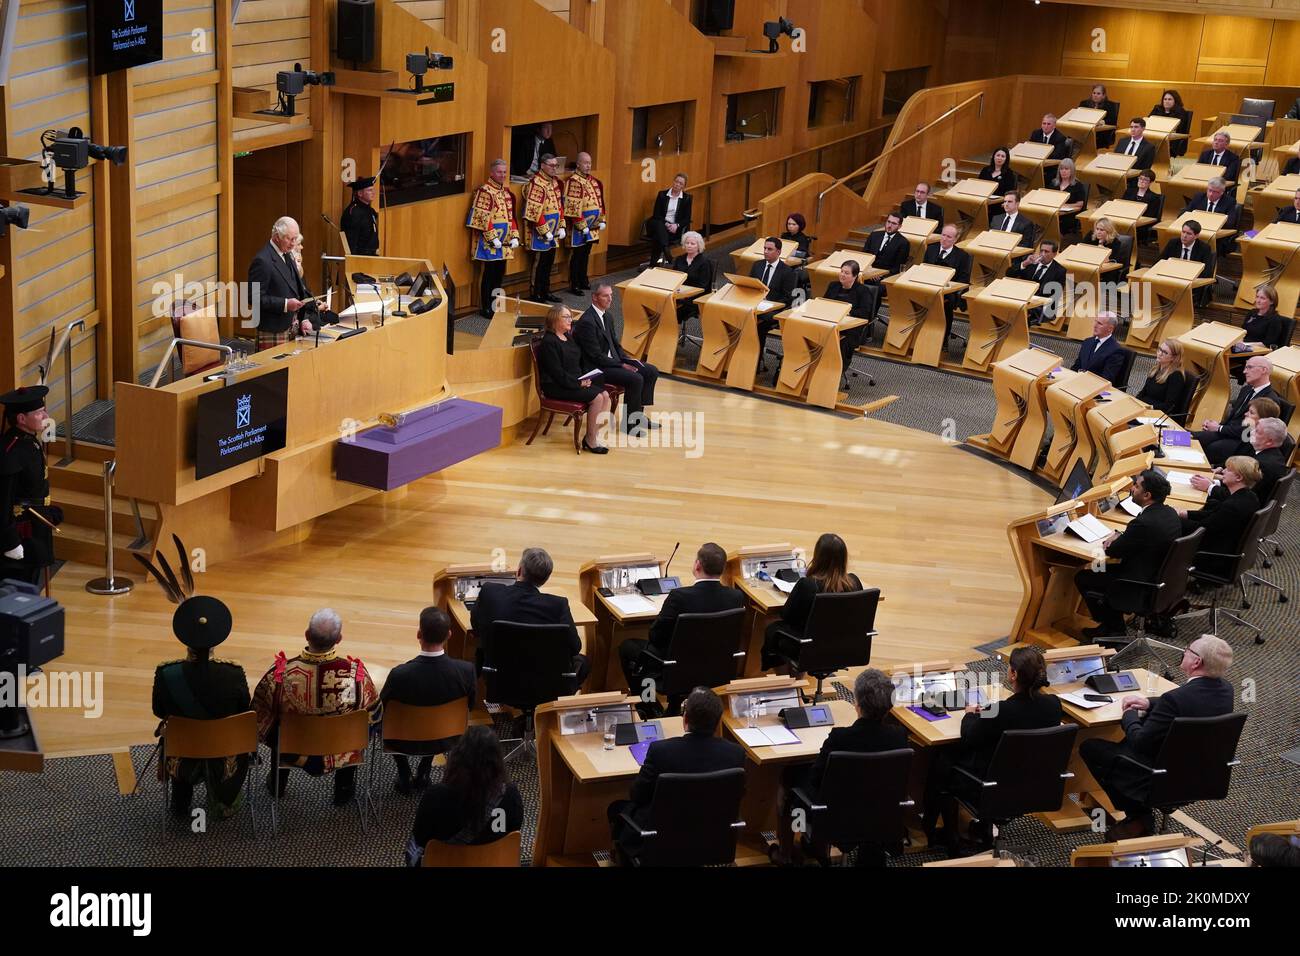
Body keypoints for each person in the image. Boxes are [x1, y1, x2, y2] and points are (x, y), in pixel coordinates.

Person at [1080, 635, 1234, 839]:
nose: (1184, 651)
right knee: (1140, 728)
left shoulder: (1175, 700)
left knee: (1091, 748)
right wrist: (1149, 703)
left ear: (1196, 662)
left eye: (1188, 649)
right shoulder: (1226, 690)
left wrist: (1129, 714)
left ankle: (1138, 816)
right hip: (1200, 772)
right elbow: (1188, 700)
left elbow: (1140, 742)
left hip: (1160, 774)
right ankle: (1139, 817)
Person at [922, 646, 1062, 853]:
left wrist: (970, 714)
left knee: (944, 759)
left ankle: (950, 838)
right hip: (1034, 783)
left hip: (990, 784)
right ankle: (982, 828)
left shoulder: (1003, 711)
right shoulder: (1054, 705)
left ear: (1013, 674)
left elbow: (970, 736)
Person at [771, 668, 908, 866]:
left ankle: (786, 853)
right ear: (889, 707)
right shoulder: (899, 736)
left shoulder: (840, 738)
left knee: (789, 775)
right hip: (881, 813)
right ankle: (817, 848)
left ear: (857, 704)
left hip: (837, 817)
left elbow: (817, 779)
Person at [252, 608, 380, 806]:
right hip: (340, 749)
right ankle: (343, 790)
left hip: (293, 748)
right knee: (355, 728)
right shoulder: (357, 676)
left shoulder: (278, 676)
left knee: (279, 727)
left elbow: (258, 716)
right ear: (339, 639)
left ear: (307, 635)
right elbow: (374, 714)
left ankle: (278, 784)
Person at [606, 687, 745, 865]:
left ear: (685, 718)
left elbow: (637, 796)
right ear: (718, 721)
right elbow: (737, 796)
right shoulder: (735, 754)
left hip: (661, 842)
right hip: (711, 840)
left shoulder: (660, 751)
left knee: (616, 808)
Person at [151, 595, 250, 819]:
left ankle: (180, 804)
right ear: (217, 638)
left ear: (184, 637)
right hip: (226, 753)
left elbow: (158, 711)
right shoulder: (233, 673)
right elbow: (244, 712)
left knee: (180, 738)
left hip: (182, 754)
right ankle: (223, 803)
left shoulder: (167, 673)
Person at [617, 542, 745, 703]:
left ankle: (647, 704)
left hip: (677, 668)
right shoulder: (736, 597)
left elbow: (655, 636)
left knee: (629, 647)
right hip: (717, 669)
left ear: (697, 565)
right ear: (723, 568)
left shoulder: (679, 597)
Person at [1074, 469, 1181, 640]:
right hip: (1158, 580)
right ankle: (1113, 626)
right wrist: (1122, 536)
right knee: (1099, 570)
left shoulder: (1143, 523)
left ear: (1146, 495)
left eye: (1136, 486)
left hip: (1137, 584)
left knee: (1085, 577)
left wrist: (1113, 538)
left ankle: (1114, 629)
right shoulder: (1169, 514)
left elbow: (1112, 550)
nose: (1132, 488)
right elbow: (1140, 539)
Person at [380, 606, 476, 794]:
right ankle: (424, 770)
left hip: (400, 741)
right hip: (447, 739)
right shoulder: (466, 671)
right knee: (436, 722)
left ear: (418, 634)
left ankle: (403, 771)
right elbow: (470, 706)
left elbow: (382, 712)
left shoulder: (399, 675)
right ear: (449, 635)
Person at [469, 547, 590, 693]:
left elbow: (476, 626)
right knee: (582, 662)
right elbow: (574, 647)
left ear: (519, 571)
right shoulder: (558, 605)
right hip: (547, 684)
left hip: (499, 680)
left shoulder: (490, 592)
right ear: (545, 580)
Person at [404, 725, 523, 865]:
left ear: (457, 757)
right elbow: (511, 839)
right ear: (497, 762)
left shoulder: (435, 797)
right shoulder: (510, 796)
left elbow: (417, 846)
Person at [761, 532, 862, 671]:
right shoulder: (854, 583)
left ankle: (787, 683)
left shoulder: (808, 585)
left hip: (808, 647)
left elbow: (786, 615)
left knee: (771, 625)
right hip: (842, 647)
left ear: (818, 557)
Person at [573, 280, 660, 434]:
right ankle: (630, 425)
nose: (610, 299)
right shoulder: (587, 321)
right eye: (605, 296)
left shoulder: (608, 317)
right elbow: (595, 356)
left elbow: (615, 345)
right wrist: (621, 365)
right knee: (636, 378)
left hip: (612, 362)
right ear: (594, 298)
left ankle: (638, 415)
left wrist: (627, 360)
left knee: (650, 370)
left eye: (611, 295)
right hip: (598, 368)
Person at [0, 386, 62, 587]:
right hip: (20, 532)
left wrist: (47, 511)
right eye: (39, 413)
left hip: (35, 523)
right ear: (21, 419)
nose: (46, 415)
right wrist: (9, 541)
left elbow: (31, 488)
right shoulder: (11, 451)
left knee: (32, 583)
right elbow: (3, 499)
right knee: (18, 591)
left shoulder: (29, 441)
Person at [537, 304, 611, 454]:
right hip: (556, 386)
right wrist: (579, 383)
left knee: (605, 395)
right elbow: (557, 374)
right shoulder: (549, 342)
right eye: (566, 317)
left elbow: (578, 362)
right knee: (597, 398)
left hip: (572, 381)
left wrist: (586, 378)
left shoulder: (568, 337)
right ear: (554, 319)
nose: (570, 319)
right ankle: (590, 440)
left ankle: (593, 434)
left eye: (571, 316)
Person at [1175, 456, 1261, 580]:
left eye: (1228, 470)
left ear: (1239, 477)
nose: (1224, 471)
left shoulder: (1232, 506)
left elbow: (1201, 529)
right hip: (1226, 544)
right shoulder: (1250, 496)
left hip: (1213, 555)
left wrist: (1172, 518)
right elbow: (1213, 514)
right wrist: (1186, 513)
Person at [1193, 356, 1280, 465]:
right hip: (1229, 432)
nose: (1244, 371)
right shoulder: (1246, 389)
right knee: (1193, 437)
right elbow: (1233, 417)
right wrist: (1217, 425)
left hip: (1243, 442)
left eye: (1249, 367)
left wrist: (1219, 428)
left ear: (1263, 370)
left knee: (1209, 448)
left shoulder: (1269, 400)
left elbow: (1250, 431)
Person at [248, 216, 320, 350]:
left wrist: (304, 318)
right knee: (274, 370)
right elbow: (254, 297)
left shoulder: (286, 254)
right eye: (290, 239)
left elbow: (296, 288)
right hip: (273, 329)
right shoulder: (262, 261)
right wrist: (286, 304)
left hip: (292, 325)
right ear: (276, 236)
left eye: (295, 239)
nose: (293, 244)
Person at [466, 159, 520, 320]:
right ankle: (485, 307)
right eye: (499, 172)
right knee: (488, 275)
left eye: (504, 172)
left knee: (499, 274)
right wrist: (492, 237)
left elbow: (512, 218)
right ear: (491, 173)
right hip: (489, 243)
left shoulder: (506, 193)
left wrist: (515, 235)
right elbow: (482, 216)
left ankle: (496, 305)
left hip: (504, 243)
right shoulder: (485, 191)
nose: (502, 175)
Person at [1194, 416, 1289, 503]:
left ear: (1269, 441)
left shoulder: (1264, 465)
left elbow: (1240, 497)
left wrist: (1210, 487)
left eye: (1257, 431)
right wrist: (1214, 480)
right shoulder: (1257, 448)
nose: (1251, 432)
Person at [522, 154, 566, 303]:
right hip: (540, 233)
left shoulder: (554, 182)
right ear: (542, 165)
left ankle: (546, 291)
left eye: (556, 165)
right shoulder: (536, 183)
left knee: (549, 263)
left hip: (553, 231)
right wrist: (544, 230)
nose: (554, 168)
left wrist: (561, 226)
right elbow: (534, 211)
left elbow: (560, 207)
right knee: (539, 264)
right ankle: (536, 292)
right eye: (551, 165)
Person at [749, 236, 797, 364]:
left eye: (769, 249)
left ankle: (754, 362)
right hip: (754, 305)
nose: (765, 251)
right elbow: (749, 287)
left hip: (772, 310)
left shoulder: (787, 272)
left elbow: (787, 298)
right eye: (764, 248)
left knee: (755, 326)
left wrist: (769, 305)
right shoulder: (757, 265)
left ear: (778, 252)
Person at [564, 152, 607, 294]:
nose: (588, 166)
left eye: (590, 163)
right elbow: (571, 207)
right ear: (578, 164)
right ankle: (574, 283)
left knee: (586, 253)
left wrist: (601, 220)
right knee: (577, 254)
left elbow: (600, 203)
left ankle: (583, 278)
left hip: (592, 226)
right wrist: (582, 226)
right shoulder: (573, 181)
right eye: (585, 163)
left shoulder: (594, 181)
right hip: (578, 227)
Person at [922, 224, 971, 346]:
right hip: (928, 288)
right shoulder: (931, 249)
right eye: (943, 235)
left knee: (945, 304)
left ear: (955, 239)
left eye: (949, 237)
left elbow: (964, 280)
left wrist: (948, 287)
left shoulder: (962, 256)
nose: (944, 239)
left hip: (949, 293)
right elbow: (923, 270)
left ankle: (943, 340)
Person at [822, 261, 879, 365]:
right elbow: (824, 304)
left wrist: (846, 312)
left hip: (851, 328)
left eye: (846, 273)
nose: (842, 275)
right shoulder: (833, 285)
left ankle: (837, 368)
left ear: (855, 276)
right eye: (842, 271)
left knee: (841, 342)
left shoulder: (863, 291)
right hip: (831, 322)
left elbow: (864, 312)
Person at [1007, 240, 1066, 325]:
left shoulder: (1059, 271)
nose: (1042, 254)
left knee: (1022, 316)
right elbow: (1009, 274)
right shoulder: (1030, 262)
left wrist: (1033, 300)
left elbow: (1056, 294)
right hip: (1022, 298)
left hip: (1043, 304)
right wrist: (1025, 263)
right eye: (1041, 251)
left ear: (1054, 254)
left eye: (1046, 252)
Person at [1181, 177, 1239, 256]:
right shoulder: (1199, 197)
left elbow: (1230, 223)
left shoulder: (1229, 202)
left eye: (1215, 192)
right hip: (1196, 232)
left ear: (1222, 192)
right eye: (1210, 190)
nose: (1211, 194)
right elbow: (1184, 214)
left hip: (1218, 237)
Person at [1134, 338, 1188, 417]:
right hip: (1144, 408)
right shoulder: (1155, 369)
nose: (1159, 353)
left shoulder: (1176, 376)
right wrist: (1135, 402)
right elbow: (1143, 392)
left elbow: (1168, 406)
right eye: (1160, 349)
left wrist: (1148, 407)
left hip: (1157, 415)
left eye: (1165, 352)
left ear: (1174, 358)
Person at [647, 172, 692, 267]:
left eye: (681, 183)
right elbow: (656, 214)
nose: (677, 184)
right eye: (676, 181)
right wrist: (667, 224)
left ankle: (652, 265)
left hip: (673, 229)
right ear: (673, 181)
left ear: (683, 186)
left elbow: (687, 218)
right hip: (660, 223)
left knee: (658, 236)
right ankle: (666, 249)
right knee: (659, 224)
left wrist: (677, 225)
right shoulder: (662, 194)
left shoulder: (687, 198)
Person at [1071, 313, 1126, 384]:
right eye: (1095, 321)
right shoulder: (1087, 342)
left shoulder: (1116, 350)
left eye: (1099, 323)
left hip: (1094, 388)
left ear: (1110, 328)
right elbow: (1076, 367)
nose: (1095, 326)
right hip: (1076, 383)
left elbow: (1106, 379)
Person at [339, 175, 379, 255]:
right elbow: (351, 240)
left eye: (373, 190)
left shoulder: (370, 210)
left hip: (372, 255)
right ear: (360, 193)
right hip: (360, 256)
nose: (373, 192)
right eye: (369, 190)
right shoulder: (353, 212)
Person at [1241, 285, 1288, 351]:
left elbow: (1267, 344)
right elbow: (1242, 332)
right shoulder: (1252, 312)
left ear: (1272, 302)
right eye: (1257, 297)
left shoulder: (1275, 320)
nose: (1258, 300)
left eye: (1262, 298)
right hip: (1243, 347)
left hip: (1258, 351)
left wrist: (1245, 345)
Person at [863, 212, 909, 276]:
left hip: (885, 276)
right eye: (888, 222)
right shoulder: (874, 235)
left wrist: (880, 274)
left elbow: (898, 267)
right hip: (867, 272)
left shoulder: (903, 243)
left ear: (899, 226)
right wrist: (869, 270)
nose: (889, 225)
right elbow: (864, 255)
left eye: (894, 223)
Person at [1122, 169, 1162, 242]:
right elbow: (1122, 206)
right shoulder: (1129, 191)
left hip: (1142, 225)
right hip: (1126, 220)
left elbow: (1151, 215)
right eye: (1140, 178)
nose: (1141, 181)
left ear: (1151, 182)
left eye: (1145, 180)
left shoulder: (1154, 198)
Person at [1050, 158, 1088, 235]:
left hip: (1069, 215)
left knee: (1058, 223)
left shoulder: (1078, 185)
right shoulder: (1054, 183)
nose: (1063, 171)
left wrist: (1063, 206)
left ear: (1072, 171)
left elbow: (1080, 204)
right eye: (1061, 169)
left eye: (1066, 169)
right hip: (1053, 212)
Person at [1149, 90, 1190, 157]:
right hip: (1156, 136)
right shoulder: (1157, 109)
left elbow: (1179, 128)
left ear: (1175, 101)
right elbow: (1149, 122)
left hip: (1172, 140)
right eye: (1165, 99)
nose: (1166, 101)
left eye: (1169, 99)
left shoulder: (1180, 112)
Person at [1083, 83, 1121, 149]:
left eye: (1098, 94)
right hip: (1084, 130)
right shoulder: (1084, 103)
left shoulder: (1110, 105)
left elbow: (1113, 120)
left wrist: (1102, 122)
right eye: (1094, 93)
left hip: (1101, 134)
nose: (1095, 95)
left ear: (1103, 95)